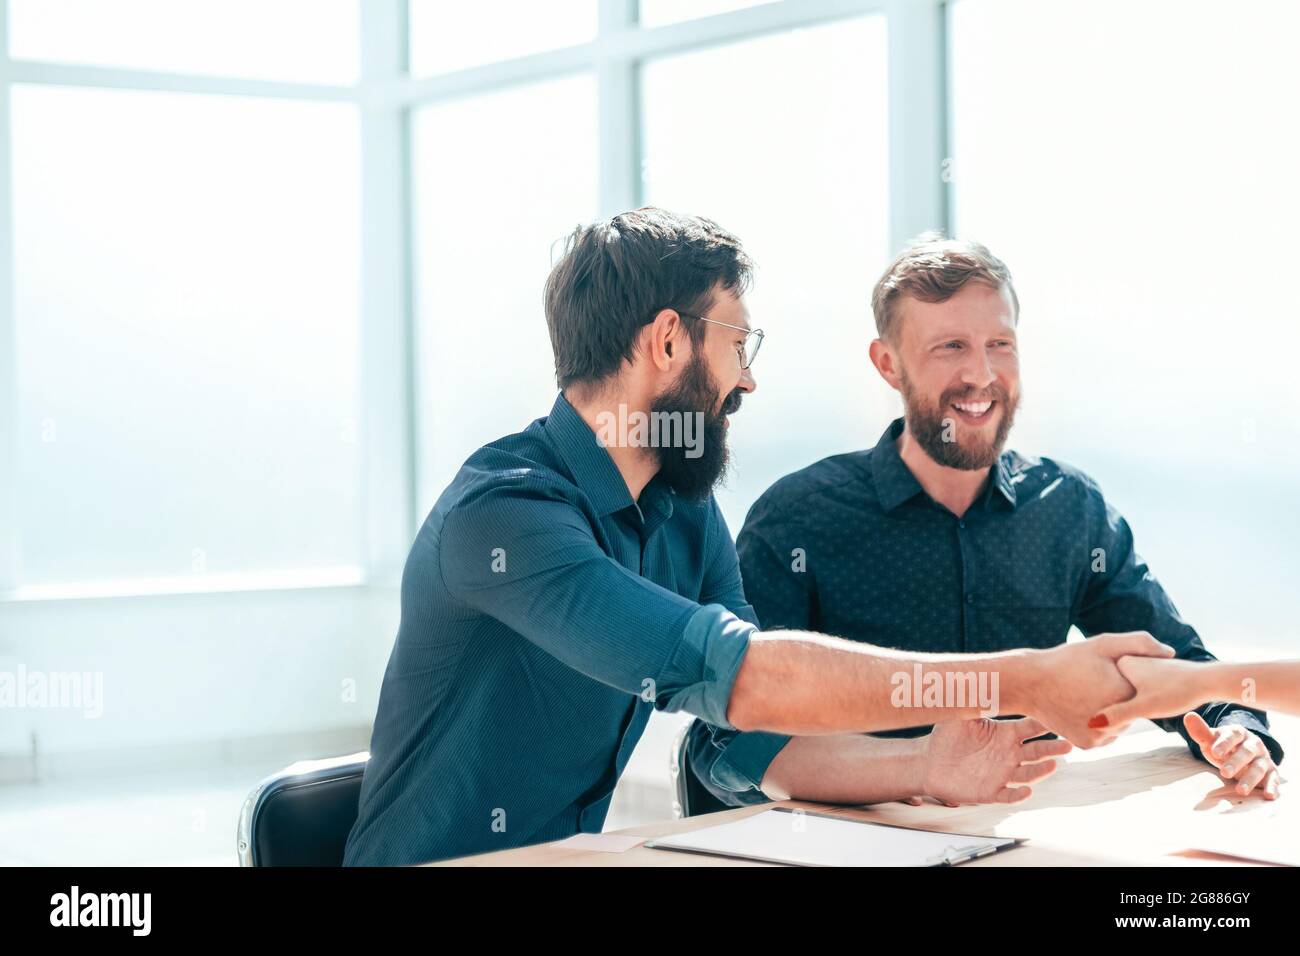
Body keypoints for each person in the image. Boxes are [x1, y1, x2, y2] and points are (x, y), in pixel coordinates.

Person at [343, 210, 1173, 866]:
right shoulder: (505, 517)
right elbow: (738, 674)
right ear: (668, 341)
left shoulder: (683, 506)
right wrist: (1027, 678)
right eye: (738, 344)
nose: (748, 378)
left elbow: (752, 724)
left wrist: (920, 768)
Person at [687, 234, 1283, 810]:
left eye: (999, 344)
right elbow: (730, 742)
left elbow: (1177, 666)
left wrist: (1235, 731)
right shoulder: (799, 519)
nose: (982, 375)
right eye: (951, 347)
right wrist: (912, 767)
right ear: (888, 364)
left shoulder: (1070, 509)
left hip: (1012, 836)